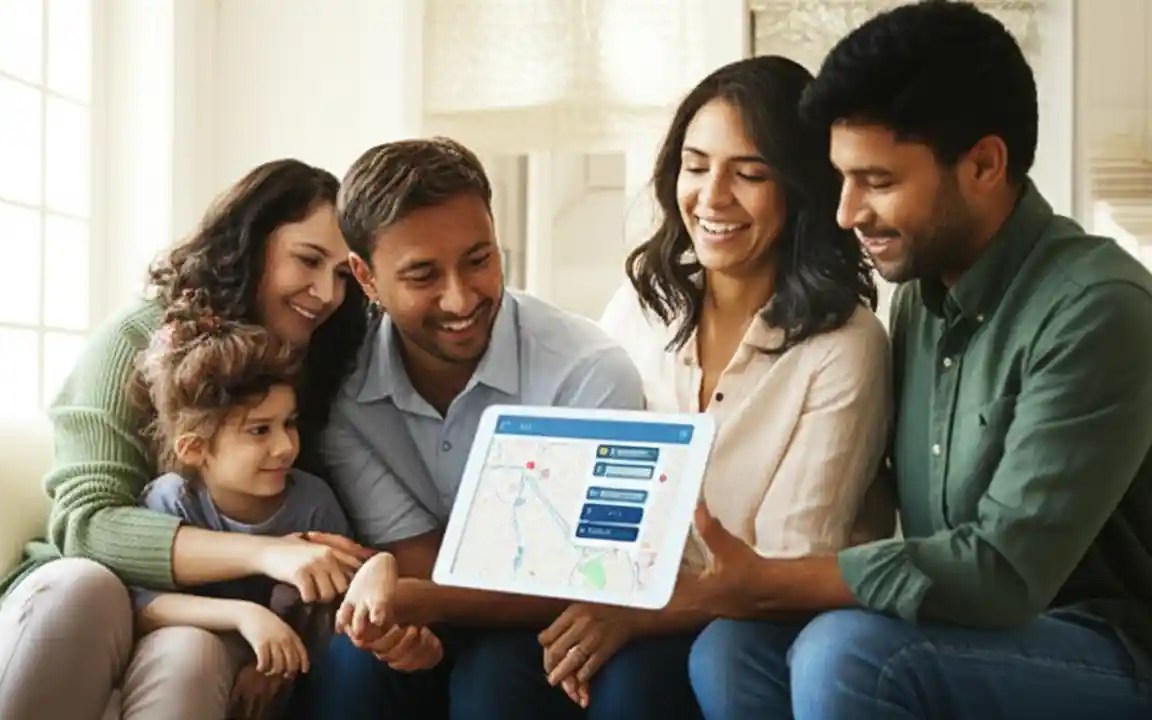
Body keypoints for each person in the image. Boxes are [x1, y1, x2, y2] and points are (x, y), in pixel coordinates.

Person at [685, 2, 1152, 718]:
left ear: (984, 165)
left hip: (1111, 645)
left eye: (877, 181)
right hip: (974, 635)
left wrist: (766, 581)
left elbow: (1001, 571)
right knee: (731, 648)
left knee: (850, 655)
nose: (845, 213)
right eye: (841, 179)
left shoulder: (1098, 306)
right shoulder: (919, 297)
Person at [534, 55, 892, 717]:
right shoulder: (642, 307)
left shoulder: (846, 345)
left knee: (643, 685)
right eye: (696, 167)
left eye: (750, 174)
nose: (712, 197)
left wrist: (637, 613)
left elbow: (787, 560)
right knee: (501, 676)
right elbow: (590, 478)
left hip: (756, 622)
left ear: (802, 187)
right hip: (629, 593)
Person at [0, 159, 375, 720]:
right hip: (96, 601)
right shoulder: (135, 339)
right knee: (81, 588)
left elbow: (317, 527)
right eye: (308, 260)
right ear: (250, 243)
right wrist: (267, 553)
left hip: (222, 623)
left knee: (193, 651)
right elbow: (87, 527)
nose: (326, 292)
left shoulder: (322, 363)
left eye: (342, 274)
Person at [303, 137, 647, 720]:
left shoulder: (587, 372)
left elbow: (583, 577)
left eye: (479, 259)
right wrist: (402, 601)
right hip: (432, 601)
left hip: (549, 616)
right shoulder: (346, 388)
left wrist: (408, 594)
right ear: (365, 277)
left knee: (494, 685)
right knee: (352, 663)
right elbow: (414, 559)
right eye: (422, 275)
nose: (460, 297)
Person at [125, 294, 426, 720]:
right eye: (259, 430)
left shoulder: (311, 501)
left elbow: (334, 604)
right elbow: (144, 606)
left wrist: (277, 667)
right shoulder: (171, 501)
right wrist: (247, 617)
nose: (285, 447)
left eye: (289, 423)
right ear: (195, 449)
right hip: (198, 660)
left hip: (298, 672)